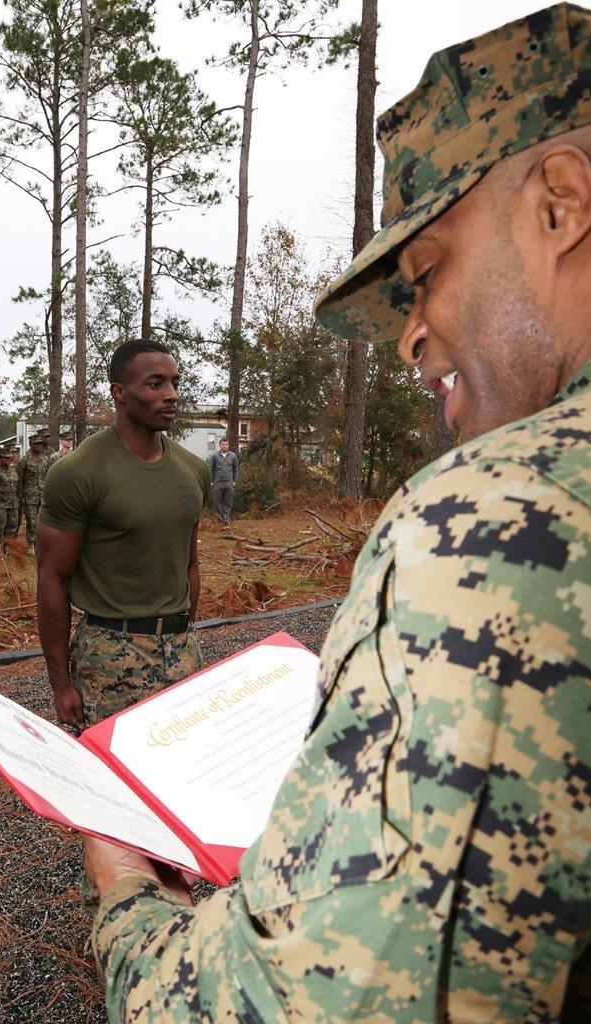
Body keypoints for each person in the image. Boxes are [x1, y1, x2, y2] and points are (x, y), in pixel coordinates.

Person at [82, 8, 591, 1022]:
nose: (409, 339)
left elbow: (310, 1004)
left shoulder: (503, 516)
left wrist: (128, 904)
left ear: (558, 203)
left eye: (426, 274)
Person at [38, 338, 209, 731]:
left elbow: (189, 563)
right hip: (110, 656)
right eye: (155, 384)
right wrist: (61, 684)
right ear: (119, 393)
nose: (171, 395)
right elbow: (52, 578)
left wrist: (183, 634)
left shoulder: (192, 470)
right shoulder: (79, 472)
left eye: (174, 383)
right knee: (110, 781)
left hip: (183, 653)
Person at [18, 433, 50, 554]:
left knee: (42, 521)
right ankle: (31, 543)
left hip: (43, 495)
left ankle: (40, 544)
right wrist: (21, 495)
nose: (39, 446)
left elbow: (48, 477)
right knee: (31, 521)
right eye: (36, 444)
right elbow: (20, 479)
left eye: (40, 444)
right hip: (29, 495)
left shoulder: (45, 459)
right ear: (31, 445)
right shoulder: (24, 460)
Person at [208, 436, 238, 525]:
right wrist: (212, 481)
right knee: (218, 503)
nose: (224, 446)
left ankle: (226, 521)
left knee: (228, 503)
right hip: (218, 482)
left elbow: (235, 468)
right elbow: (211, 469)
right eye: (223, 444)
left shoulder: (233, 456)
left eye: (226, 444)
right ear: (220, 445)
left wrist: (234, 481)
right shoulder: (215, 456)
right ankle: (220, 521)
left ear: (228, 445)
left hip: (229, 483)